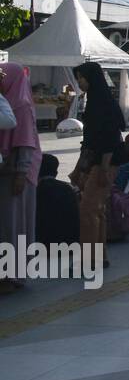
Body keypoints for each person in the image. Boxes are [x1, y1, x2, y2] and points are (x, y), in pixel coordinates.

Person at [71, 61, 125, 262]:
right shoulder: (97, 100)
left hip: (104, 164)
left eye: (81, 78)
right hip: (99, 163)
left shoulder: (101, 103)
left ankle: (88, 260)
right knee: (97, 210)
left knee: (87, 210)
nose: (80, 83)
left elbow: (110, 139)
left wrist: (103, 169)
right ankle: (98, 257)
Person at [0, 63, 41, 294]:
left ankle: (11, 275)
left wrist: (21, 175)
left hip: (18, 174)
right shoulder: (6, 102)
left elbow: (27, 144)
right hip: (7, 170)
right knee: (7, 224)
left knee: (12, 225)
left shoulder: (21, 106)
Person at [35, 155, 79, 247]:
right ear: (56, 172)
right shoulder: (67, 188)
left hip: (44, 246)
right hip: (71, 244)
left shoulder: (36, 191)